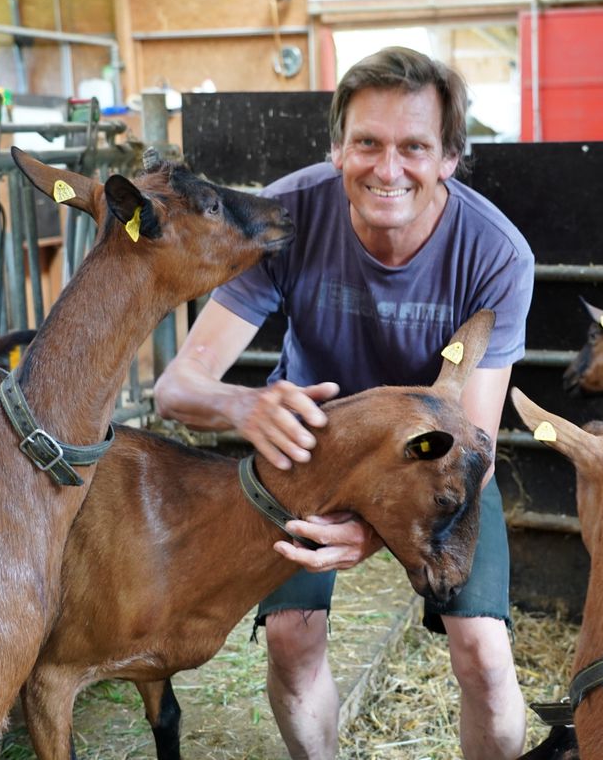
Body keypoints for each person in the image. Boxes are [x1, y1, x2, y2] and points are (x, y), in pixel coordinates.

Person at [154, 46, 534, 760]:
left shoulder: (497, 256)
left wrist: (376, 527)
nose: (388, 169)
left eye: (414, 147)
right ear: (337, 148)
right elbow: (178, 386)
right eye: (367, 143)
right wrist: (243, 407)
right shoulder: (288, 216)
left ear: (449, 158)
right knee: (293, 641)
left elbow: (474, 439)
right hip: (313, 452)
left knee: (482, 653)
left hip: (440, 460)